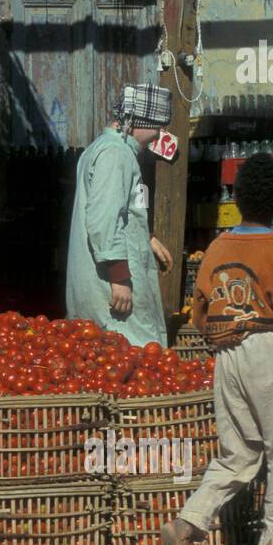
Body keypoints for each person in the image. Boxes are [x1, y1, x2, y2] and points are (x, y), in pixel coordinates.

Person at [162, 152, 273, 545]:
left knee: (239, 454)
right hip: (271, 352)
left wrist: (222, 331)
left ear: (236, 198)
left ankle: (187, 525)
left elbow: (199, 314)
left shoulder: (217, 249)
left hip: (227, 357)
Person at [66, 83, 174, 347]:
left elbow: (117, 207)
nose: (159, 136)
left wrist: (145, 236)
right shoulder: (115, 153)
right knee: (131, 361)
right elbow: (104, 219)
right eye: (158, 127)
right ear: (139, 122)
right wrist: (119, 278)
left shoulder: (106, 149)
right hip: (108, 288)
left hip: (104, 280)